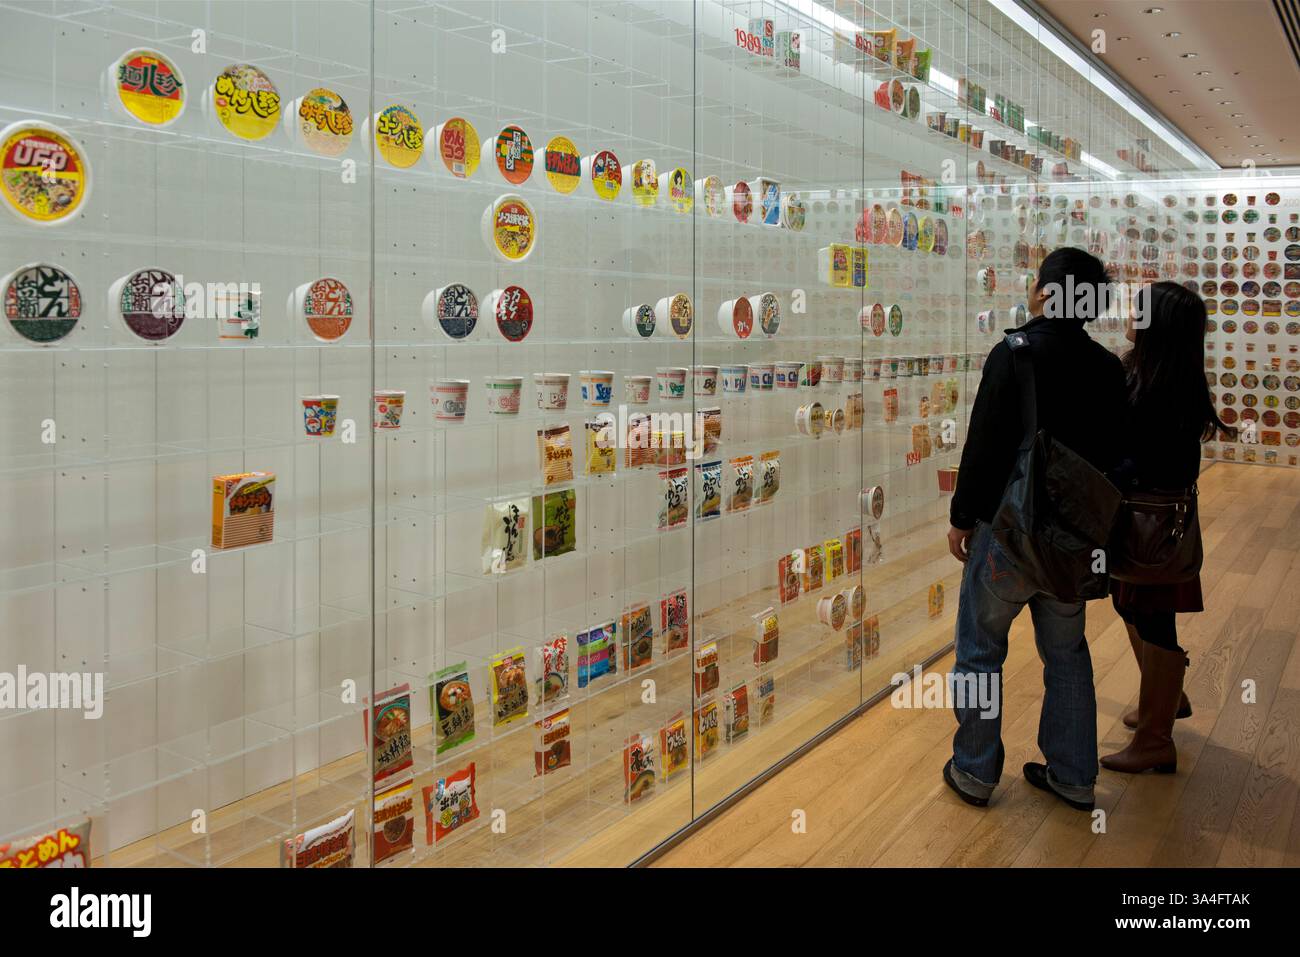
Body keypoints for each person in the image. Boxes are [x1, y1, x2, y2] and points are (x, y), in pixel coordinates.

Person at [942, 247, 1127, 812]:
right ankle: (1073, 775)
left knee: (980, 649)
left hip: (1007, 535)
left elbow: (985, 445)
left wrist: (961, 517)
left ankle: (974, 770)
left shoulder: (1014, 354)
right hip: (1072, 544)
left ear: (1046, 292)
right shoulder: (1108, 367)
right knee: (1067, 653)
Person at [1101, 282, 1229, 774]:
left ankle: (1156, 737)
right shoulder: (1164, 376)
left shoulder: (1155, 386)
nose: (1130, 315)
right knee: (1134, 606)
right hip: (1155, 523)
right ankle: (1165, 701)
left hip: (1148, 525)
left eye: (1139, 309)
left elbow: (1142, 459)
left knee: (1153, 617)